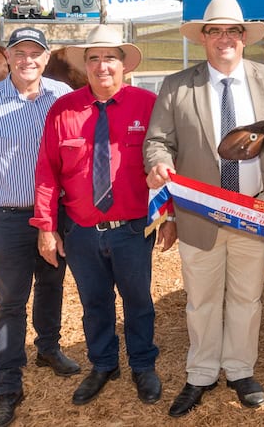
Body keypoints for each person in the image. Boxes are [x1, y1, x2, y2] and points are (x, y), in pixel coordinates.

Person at [144, 0, 264, 417]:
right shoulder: (176, 86)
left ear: (244, 38)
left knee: (247, 298)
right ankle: (202, 373)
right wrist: (159, 162)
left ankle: (240, 369)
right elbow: (157, 140)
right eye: (215, 31)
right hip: (197, 216)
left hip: (252, 213)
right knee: (202, 299)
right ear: (203, 38)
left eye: (232, 31)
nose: (224, 38)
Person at [31, 25, 176, 407]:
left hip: (131, 229)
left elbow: (165, 163)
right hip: (80, 230)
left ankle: (143, 366)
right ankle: (104, 364)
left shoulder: (148, 105)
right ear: (85, 65)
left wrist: (169, 215)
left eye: (109, 57)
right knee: (94, 302)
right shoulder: (64, 109)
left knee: (138, 300)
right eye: (93, 58)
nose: (101, 66)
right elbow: (47, 170)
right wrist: (46, 226)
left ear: (124, 64)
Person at [0, 27, 80, 427]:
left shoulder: (62, 97)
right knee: (10, 301)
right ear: (7, 56)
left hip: (55, 215)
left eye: (35, 53)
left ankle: (48, 348)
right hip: (5, 217)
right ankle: (7, 385)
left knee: (52, 283)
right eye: (19, 52)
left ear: (46, 57)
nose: (28, 60)